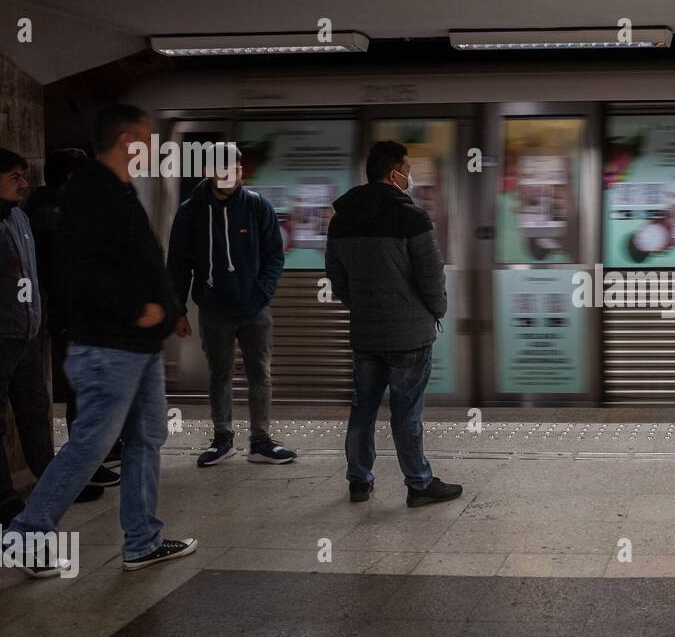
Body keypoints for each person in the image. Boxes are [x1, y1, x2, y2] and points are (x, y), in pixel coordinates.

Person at [3, 104, 196, 576]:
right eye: (147, 138)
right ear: (127, 140)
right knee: (91, 443)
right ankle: (26, 535)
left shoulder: (116, 188)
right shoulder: (91, 192)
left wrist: (167, 309)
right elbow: (79, 272)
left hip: (138, 347)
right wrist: (138, 308)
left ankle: (141, 541)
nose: (152, 147)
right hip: (111, 346)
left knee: (147, 437)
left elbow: (139, 259)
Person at [325, 140, 461, 507]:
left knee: (363, 408)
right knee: (406, 412)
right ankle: (418, 484)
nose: (410, 178)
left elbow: (336, 278)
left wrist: (361, 307)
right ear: (394, 174)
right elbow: (431, 276)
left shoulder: (341, 219)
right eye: (408, 170)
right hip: (409, 336)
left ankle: (359, 480)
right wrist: (437, 311)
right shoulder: (412, 217)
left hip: (365, 333)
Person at [167, 145, 295, 466]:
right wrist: (178, 310)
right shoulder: (191, 210)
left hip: (255, 310)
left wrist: (262, 293)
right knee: (219, 375)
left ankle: (261, 441)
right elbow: (178, 264)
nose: (230, 174)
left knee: (260, 374)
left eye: (235, 169)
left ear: (241, 171)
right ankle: (223, 439)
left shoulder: (256, 207)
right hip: (214, 310)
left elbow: (274, 255)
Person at [25, 148, 118, 500]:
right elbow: (59, 271)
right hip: (69, 317)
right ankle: (84, 465)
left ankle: (94, 457)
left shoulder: (62, 207)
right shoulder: (50, 211)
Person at [0, 147, 56, 526]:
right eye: (14, 178)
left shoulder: (20, 218)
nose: (24, 184)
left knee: (35, 413)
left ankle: (51, 482)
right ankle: (5, 503)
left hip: (26, 334)